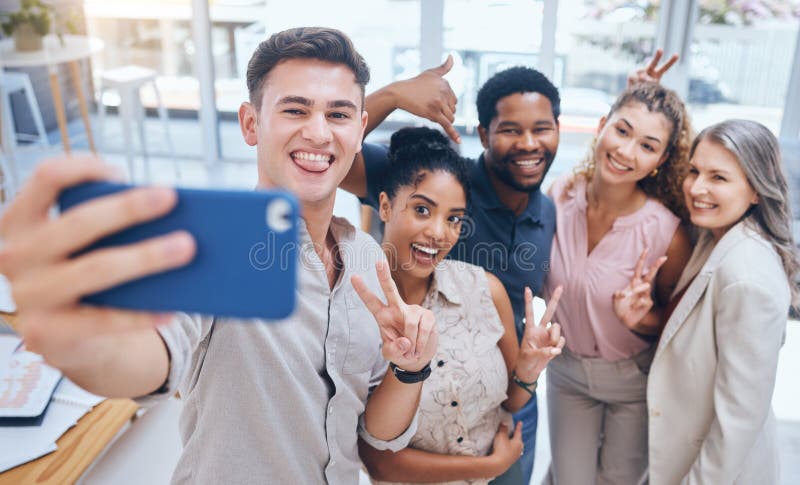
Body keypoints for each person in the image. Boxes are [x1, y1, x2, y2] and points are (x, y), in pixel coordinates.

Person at [0, 27, 440, 484]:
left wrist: (411, 368)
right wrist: (82, 343)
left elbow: (373, 435)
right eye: (295, 109)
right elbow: (148, 358)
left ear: (360, 129)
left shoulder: (367, 257)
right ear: (251, 124)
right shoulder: (214, 248)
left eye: (338, 114)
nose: (318, 132)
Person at [342, 50, 679, 483]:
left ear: (560, 131)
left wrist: (639, 101)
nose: (528, 144)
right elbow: (334, 156)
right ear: (484, 134)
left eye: (542, 129)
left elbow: (625, 175)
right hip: (423, 398)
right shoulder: (445, 186)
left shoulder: (555, 206)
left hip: (513, 391)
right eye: (510, 130)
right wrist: (392, 95)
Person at [354, 127, 565, 485]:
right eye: (423, 210)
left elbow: (511, 403)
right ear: (385, 205)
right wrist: (489, 468)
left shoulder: (484, 289)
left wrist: (528, 372)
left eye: (453, 218)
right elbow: (379, 461)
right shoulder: (355, 307)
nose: (440, 232)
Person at [542, 81, 693, 484]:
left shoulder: (667, 232)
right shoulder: (558, 196)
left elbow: (679, 330)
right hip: (568, 374)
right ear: (602, 125)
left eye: (647, 145)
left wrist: (640, 320)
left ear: (660, 160)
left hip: (634, 383)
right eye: (623, 131)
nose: (626, 151)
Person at [644, 120, 798, 484]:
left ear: (757, 190)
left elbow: (739, 419)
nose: (697, 188)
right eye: (694, 171)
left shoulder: (747, 279)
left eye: (718, 178)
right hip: (679, 454)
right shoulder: (714, 238)